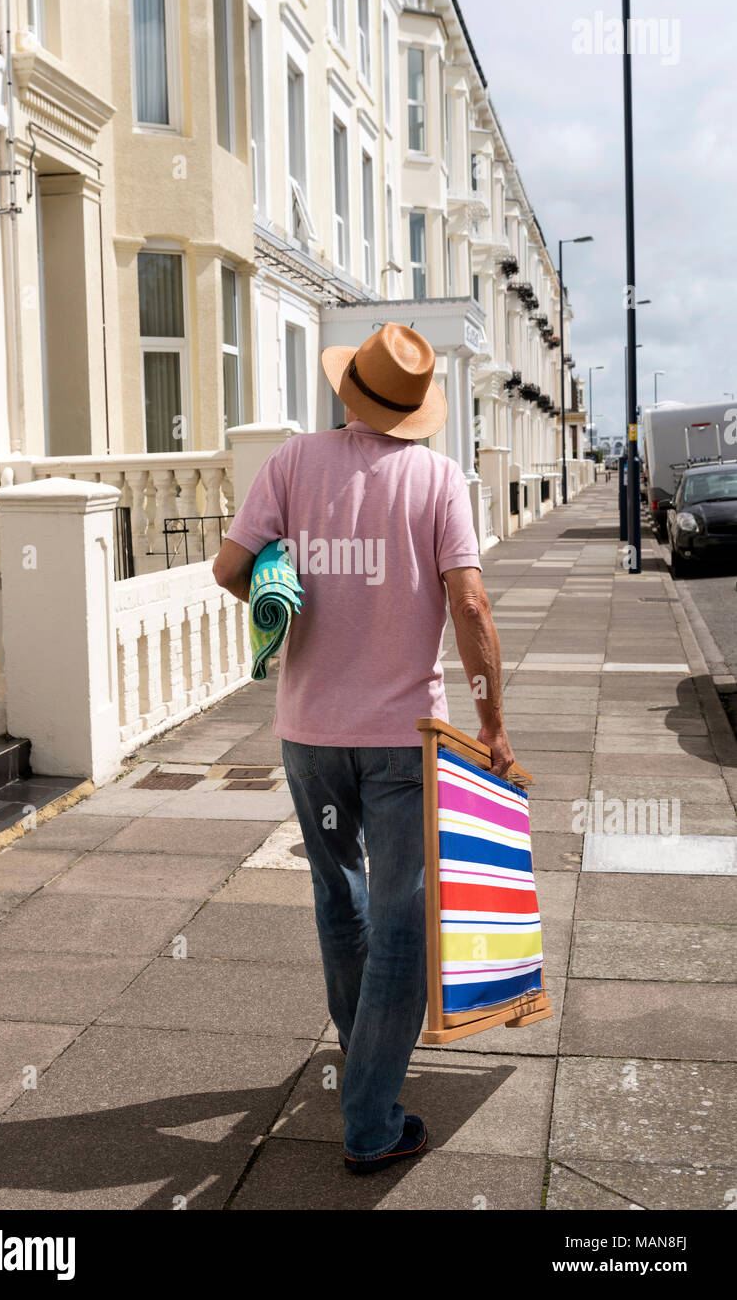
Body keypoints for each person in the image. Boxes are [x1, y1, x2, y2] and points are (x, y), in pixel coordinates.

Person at [213, 323, 514, 1175]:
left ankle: (364, 1064)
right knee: (400, 924)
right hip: (400, 740)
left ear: (351, 392)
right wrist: (491, 722)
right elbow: (472, 607)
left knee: (339, 904)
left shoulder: (291, 464)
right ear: (415, 408)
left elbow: (228, 567)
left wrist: (277, 584)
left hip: (308, 731)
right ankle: (371, 1117)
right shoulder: (436, 479)